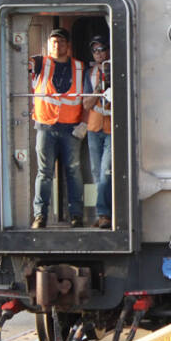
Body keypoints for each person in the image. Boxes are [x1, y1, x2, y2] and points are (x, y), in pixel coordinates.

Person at [30, 28, 85, 228]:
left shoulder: (80, 67)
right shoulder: (38, 63)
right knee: (44, 173)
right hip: (45, 126)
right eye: (53, 41)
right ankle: (40, 216)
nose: (57, 45)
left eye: (61, 42)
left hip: (71, 128)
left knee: (74, 171)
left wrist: (84, 124)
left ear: (67, 45)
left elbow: (86, 97)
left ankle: (76, 216)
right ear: (48, 44)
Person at [82, 36, 112, 229]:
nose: (99, 53)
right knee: (96, 172)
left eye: (102, 49)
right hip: (94, 127)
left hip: (112, 128)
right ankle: (103, 213)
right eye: (95, 50)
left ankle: (104, 214)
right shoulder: (90, 74)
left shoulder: (119, 69)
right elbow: (85, 104)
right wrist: (100, 89)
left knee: (105, 172)